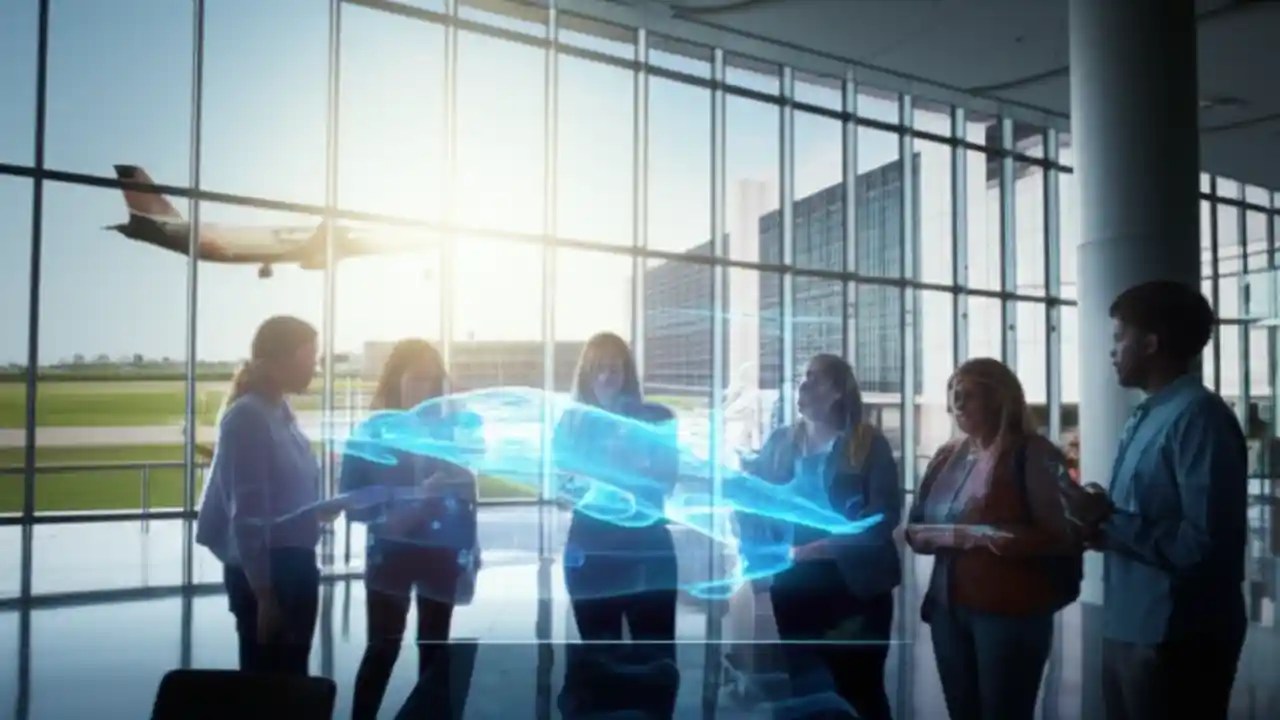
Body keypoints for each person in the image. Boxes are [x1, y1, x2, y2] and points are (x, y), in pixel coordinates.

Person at [1064, 281, 1247, 720]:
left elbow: (1203, 546)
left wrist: (1109, 520)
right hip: (1131, 624)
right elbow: (1147, 516)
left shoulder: (1199, 418)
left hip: (1177, 636)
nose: (1112, 352)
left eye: (1118, 338)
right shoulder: (1148, 414)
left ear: (1150, 343)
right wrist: (1101, 519)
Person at [905, 357, 1081, 720]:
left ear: (999, 399)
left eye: (968, 395)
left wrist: (994, 537)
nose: (957, 404)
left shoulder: (1034, 453)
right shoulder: (946, 455)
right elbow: (916, 527)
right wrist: (935, 536)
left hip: (1009, 609)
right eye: (953, 394)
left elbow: (1062, 536)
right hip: (948, 607)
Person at [748, 353, 901, 719]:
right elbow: (754, 501)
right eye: (803, 376)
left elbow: (882, 517)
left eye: (815, 378)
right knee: (806, 687)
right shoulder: (781, 442)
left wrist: (822, 549)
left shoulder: (867, 444)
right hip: (794, 584)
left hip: (854, 586)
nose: (803, 384)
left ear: (837, 391)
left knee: (860, 689)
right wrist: (759, 554)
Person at [341, 339, 479, 720]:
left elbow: (468, 493)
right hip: (390, 555)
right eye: (417, 379)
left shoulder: (448, 434)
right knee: (383, 649)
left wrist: (471, 549)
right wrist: (414, 505)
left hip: (441, 554)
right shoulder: (372, 433)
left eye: (432, 381)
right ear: (395, 380)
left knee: (434, 650)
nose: (425, 390)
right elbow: (352, 503)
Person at [195, 315, 327, 676]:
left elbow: (279, 494)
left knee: (291, 680)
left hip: (294, 564)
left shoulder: (279, 411)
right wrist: (265, 596)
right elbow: (247, 514)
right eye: (309, 357)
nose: (315, 367)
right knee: (269, 684)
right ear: (282, 359)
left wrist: (316, 511)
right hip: (270, 573)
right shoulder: (248, 417)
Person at [554, 333, 679, 644]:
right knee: (599, 653)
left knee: (654, 653)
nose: (606, 377)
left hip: (647, 549)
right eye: (599, 369)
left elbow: (667, 480)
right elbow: (562, 491)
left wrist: (633, 463)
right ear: (586, 375)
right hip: (591, 549)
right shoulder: (572, 424)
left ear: (627, 374)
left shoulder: (655, 420)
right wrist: (597, 473)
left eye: (614, 368)